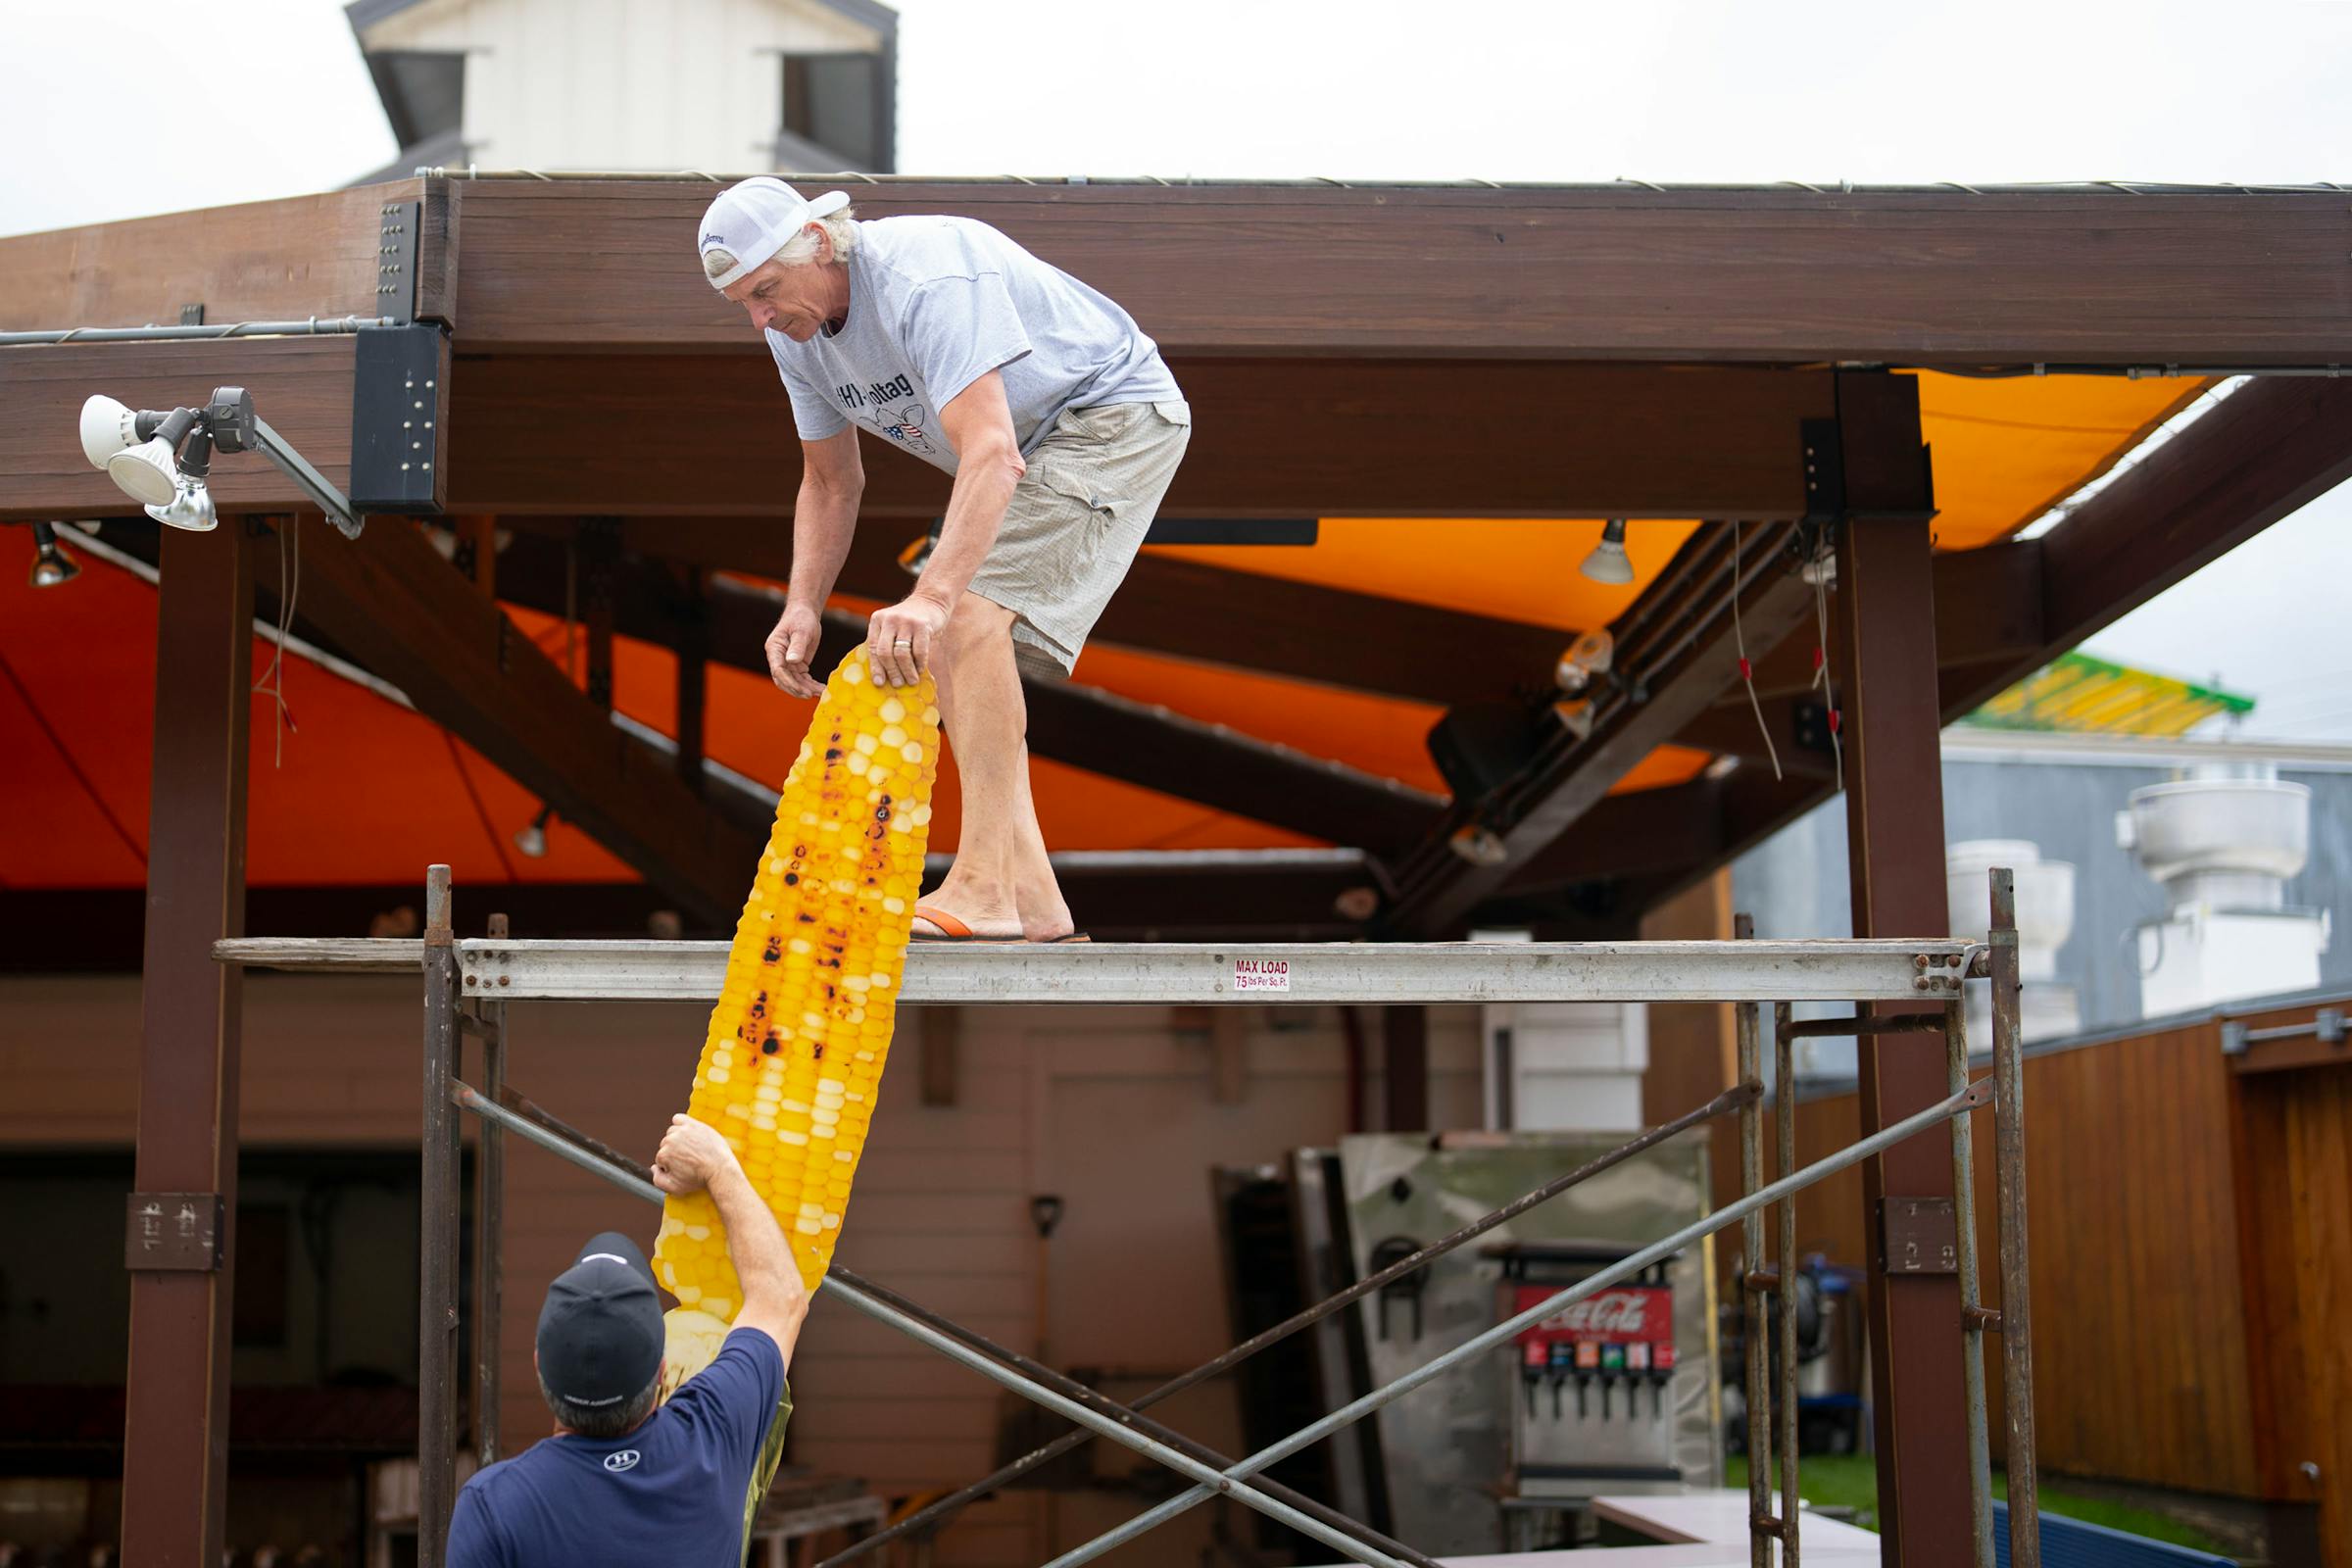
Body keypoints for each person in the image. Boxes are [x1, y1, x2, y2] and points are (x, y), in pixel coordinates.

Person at [697, 176, 1192, 943]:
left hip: (1108, 415)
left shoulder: (925, 274)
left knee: (959, 619)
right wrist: (802, 604)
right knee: (950, 642)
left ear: (820, 244)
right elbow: (830, 481)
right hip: (1027, 449)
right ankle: (1035, 902)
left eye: (767, 290)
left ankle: (986, 886)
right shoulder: (794, 338)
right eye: (744, 305)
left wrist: (933, 598)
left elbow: (991, 452)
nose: (761, 317)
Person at [446, 1115, 808, 1567]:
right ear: (662, 1373)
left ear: (540, 1366)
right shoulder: (710, 1438)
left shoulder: (494, 1505)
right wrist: (719, 1168)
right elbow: (780, 1298)